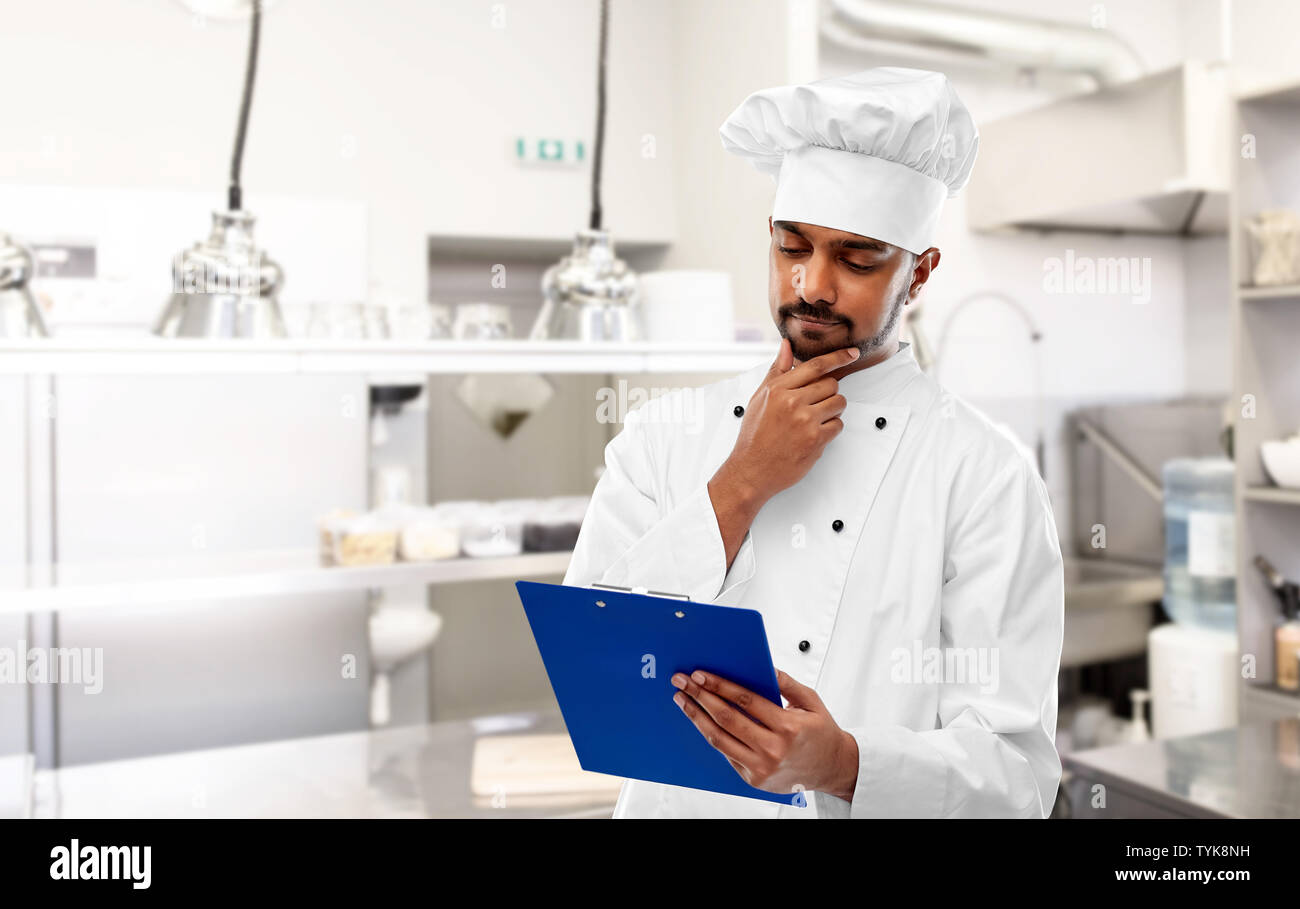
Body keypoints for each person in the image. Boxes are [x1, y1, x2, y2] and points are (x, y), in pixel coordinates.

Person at [562, 67, 1064, 818]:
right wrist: (741, 483)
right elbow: (589, 668)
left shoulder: (982, 473)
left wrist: (846, 763)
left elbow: (1017, 777)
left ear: (920, 272)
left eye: (858, 259)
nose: (812, 285)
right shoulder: (663, 437)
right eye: (791, 246)